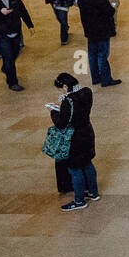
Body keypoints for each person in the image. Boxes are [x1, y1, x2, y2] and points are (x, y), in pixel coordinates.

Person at [49, 72, 99, 212]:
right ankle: (93, 193)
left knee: (74, 168)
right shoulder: (86, 92)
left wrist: (53, 112)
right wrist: (63, 109)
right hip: (87, 133)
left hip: (74, 138)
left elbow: (61, 123)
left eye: (60, 89)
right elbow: (77, 111)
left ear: (65, 86)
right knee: (87, 163)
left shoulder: (68, 101)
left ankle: (79, 201)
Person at [78, 0, 120, 88]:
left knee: (92, 54)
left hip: (89, 30)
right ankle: (106, 79)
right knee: (103, 54)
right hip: (102, 30)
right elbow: (109, 11)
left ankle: (95, 78)